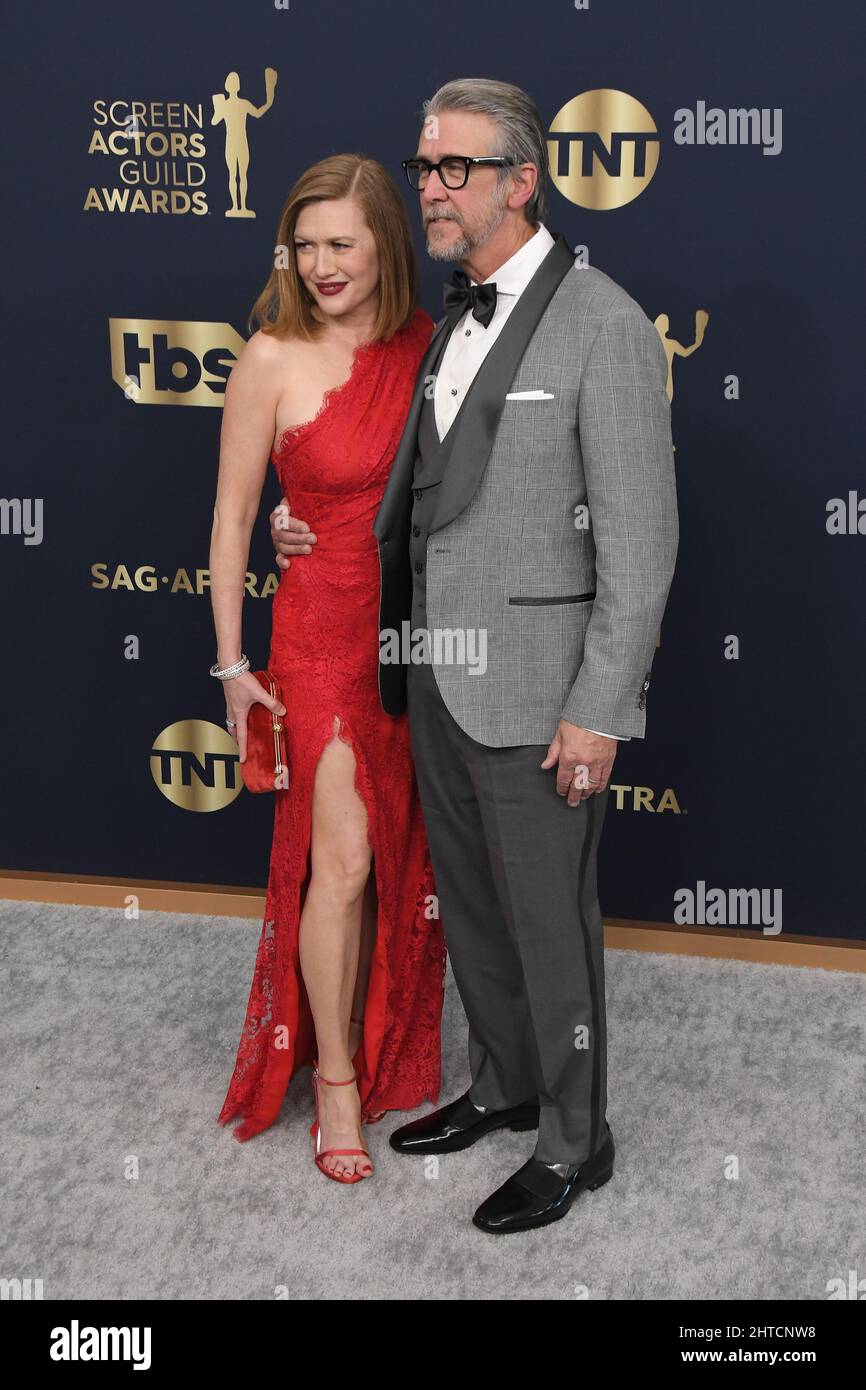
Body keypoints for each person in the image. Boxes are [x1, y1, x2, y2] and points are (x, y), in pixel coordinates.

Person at [270, 77, 678, 1233]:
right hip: (434, 677)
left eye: (454, 168)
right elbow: (404, 493)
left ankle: (572, 1137)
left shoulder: (602, 321)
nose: (432, 189)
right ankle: (502, 1086)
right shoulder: (451, 316)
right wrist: (292, 524)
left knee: (551, 924)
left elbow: (642, 546)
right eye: (424, 167)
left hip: (544, 692)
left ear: (519, 181)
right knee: (475, 915)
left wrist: (596, 708)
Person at [211, 154, 445, 1183]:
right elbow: (228, 517)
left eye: (338, 243)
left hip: (420, 638)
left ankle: (379, 1032)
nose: (317, 265)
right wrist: (229, 665)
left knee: (402, 855)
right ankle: (337, 1080)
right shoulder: (267, 355)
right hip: (318, 639)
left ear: (383, 242)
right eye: (302, 246)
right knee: (339, 861)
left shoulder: (428, 348)